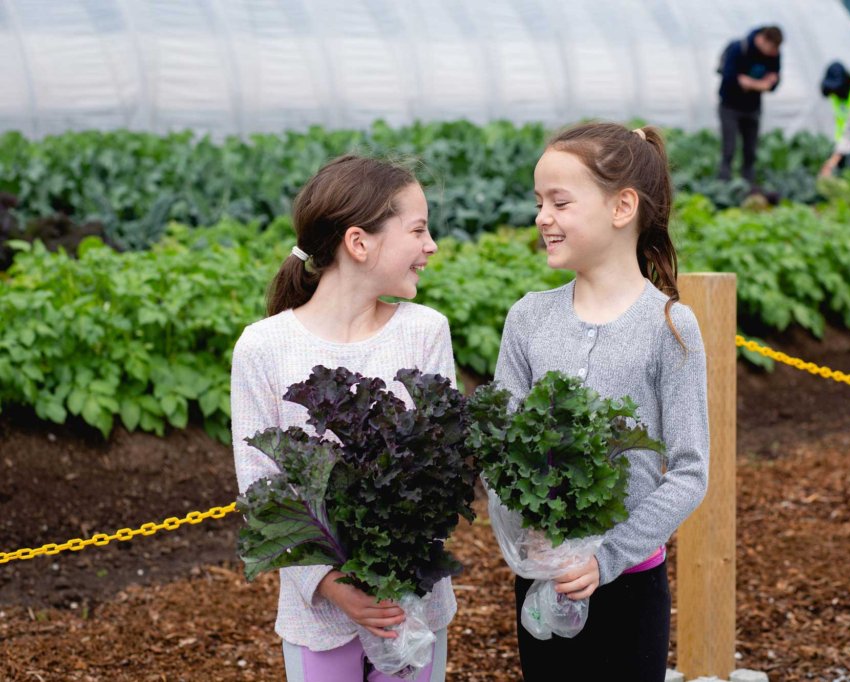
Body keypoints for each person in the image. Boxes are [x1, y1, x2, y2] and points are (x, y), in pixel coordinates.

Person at [494, 122, 711, 681]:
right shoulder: (528, 318)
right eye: (539, 202)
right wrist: (523, 524)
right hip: (544, 576)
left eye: (560, 202)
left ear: (622, 207)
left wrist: (607, 556)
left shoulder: (669, 326)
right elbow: (501, 447)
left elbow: (690, 472)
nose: (543, 217)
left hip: (632, 584)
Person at [231, 155, 454, 682]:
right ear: (359, 242)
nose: (431, 246)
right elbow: (261, 489)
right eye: (418, 230)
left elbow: (444, 468)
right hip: (319, 619)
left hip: (411, 607)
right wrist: (332, 585)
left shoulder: (425, 331)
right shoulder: (263, 347)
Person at [717, 25, 784, 184]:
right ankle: (723, 185)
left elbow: (773, 83)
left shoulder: (774, 54)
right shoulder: (739, 48)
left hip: (752, 108)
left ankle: (748, 186)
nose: (774, 53)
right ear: (763, 40)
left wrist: (749, 83)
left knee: (750, 151)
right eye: (772, 48)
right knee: (729, 149)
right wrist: (761, 84)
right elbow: (730, 78)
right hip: (729, 106)